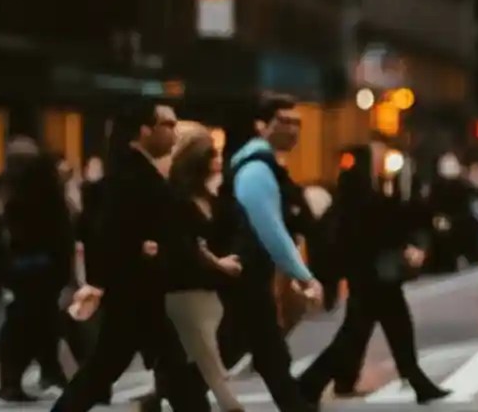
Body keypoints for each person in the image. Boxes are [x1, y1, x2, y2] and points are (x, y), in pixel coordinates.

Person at [51, 103, 208, 412]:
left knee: (155, 369)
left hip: (136, 292)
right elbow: (114, 231)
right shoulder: (133, 176)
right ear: (144, 131)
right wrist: (143, 248)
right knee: (112, 369)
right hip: (134, 292)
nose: (174, 133)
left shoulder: (132, 171)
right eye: (167, 125)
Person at [298, 143, 451, 405]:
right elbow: (384, 224)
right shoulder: (364, 194)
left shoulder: (358, 190)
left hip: (368, 275)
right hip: (374, 276)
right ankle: (309, 384)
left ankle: (414, 380)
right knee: (377, 330)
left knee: (374, 331)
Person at [217, 93, 323, 412]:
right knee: (262, 349)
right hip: (243, 273)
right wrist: (303, 275)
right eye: (284, 122)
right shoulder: (255, 169)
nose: (292, 130)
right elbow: (269, 229)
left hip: (251, 274)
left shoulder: (269, 166)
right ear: (261, 125)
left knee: (250, 349)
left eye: (297, 123)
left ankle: (161, 395)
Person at [163, 123, 245, 412]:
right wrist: (217, 263)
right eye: (212, 154)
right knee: (206, 353)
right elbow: (185, 245)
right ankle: (229, 403)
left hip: (213, 289)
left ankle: (155, 398)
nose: (218, 159)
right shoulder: (175, 200)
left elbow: (233, 230)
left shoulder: (215, 199)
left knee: (196, 358)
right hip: (183, 288)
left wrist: (230, 258)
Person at [0, 145, 73, 402]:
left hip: (21, 267)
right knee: (40, 322)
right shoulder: (47, 191)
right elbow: (61, 230)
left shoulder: (12, 193)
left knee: (28, 322)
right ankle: (43, 372)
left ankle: (39, 373)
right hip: (44, 266)